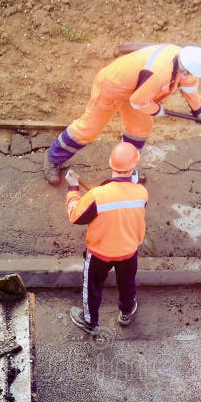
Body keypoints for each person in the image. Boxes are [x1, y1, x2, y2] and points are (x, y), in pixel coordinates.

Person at [44, 44, 201, 185]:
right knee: (90, 128)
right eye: (185, 72)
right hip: (113, 87)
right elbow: (138, 102)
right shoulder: (160, 71)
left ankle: (126, 167)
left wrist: (198, 111)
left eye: (188, 73)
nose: (186, 76)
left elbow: (190, 86)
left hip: (138, 91)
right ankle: (53, 158)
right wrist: (156, 110)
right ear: (183, 65)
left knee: (140, 128)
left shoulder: (187, 64)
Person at [66, 142, 148, 335]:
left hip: (99, 254)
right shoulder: (141, 193)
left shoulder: (97, 196)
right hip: (128, 251)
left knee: (92, 287)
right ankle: (126, 312)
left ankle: (90, 322)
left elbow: (75, 216)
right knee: (127, 283)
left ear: (111, 165)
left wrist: (73, 191)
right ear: (133, 168)